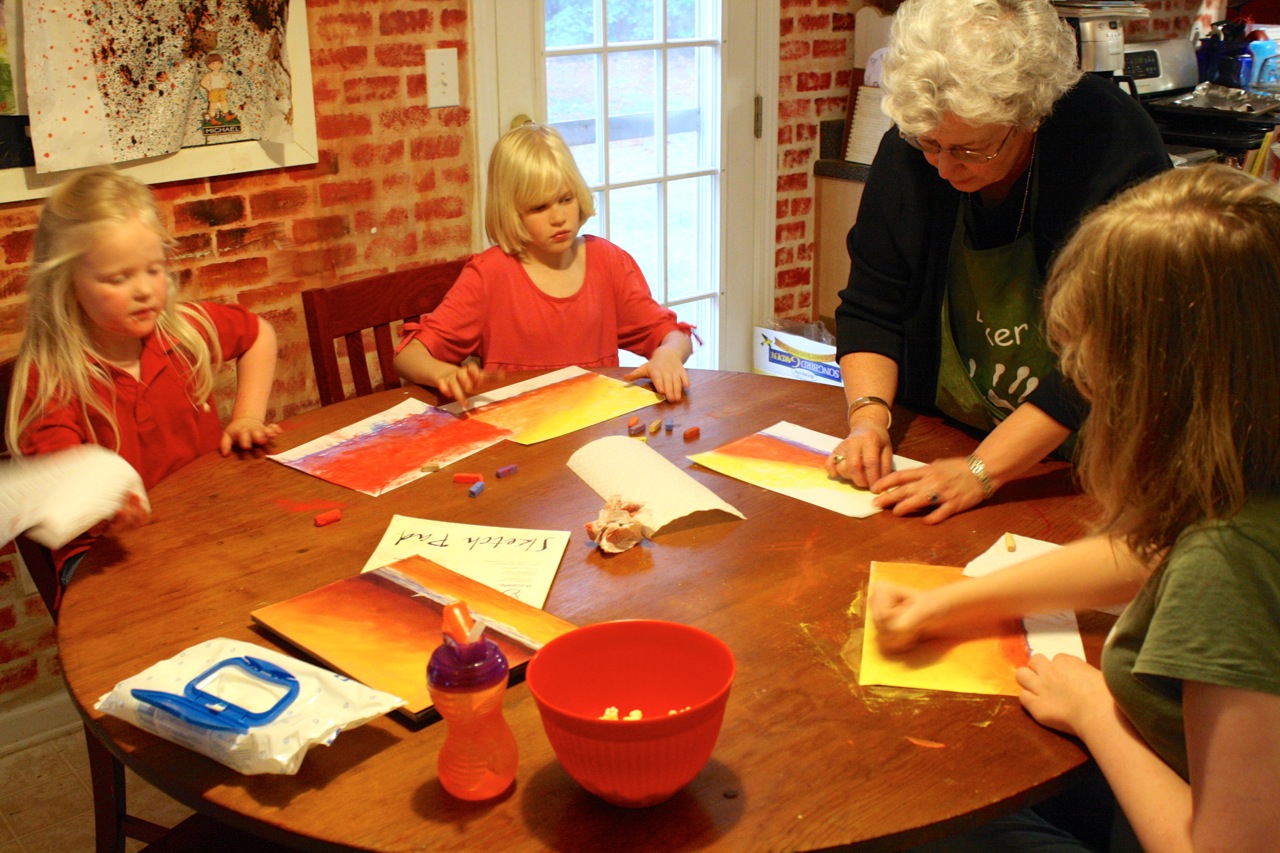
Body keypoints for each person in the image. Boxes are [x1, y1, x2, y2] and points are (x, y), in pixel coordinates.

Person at [869, 165, 1280, 851]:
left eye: (1095, 352)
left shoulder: (1231, 562)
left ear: (1161, 379)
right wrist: (948, 605)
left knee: (907, 815)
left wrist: (1094, 709)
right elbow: (1142, 555)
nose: (1081, 375)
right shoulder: (1250, 474)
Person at [828, 0, 1169, 522]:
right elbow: (873, 304)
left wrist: (981, 471)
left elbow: (1111, 347)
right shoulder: (919, 135)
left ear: (1029, 115)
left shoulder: (1108, 142)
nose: (944, 168)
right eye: (930, 145)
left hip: (1096, 461)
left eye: (971, 149)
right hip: (953, 436)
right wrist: (868, 420)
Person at [4, 167, 282, 582]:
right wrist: (101, 507)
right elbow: (63, 492)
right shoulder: (51, 381)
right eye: (118, 277)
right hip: (105, 558)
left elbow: (259, 334)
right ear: (66, 284)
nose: (144, 290)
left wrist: (247, 417)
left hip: (203, 523)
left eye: (153, 269)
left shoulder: (183, 331)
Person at [393, 122, 695, 405]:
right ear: (511, 212)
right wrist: (445, 374)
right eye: (539, 207)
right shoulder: (490, 274)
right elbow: (408, 356)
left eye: (566, 199)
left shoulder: (608, 262)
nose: (558, 217)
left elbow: (674, 334)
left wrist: (668, 354)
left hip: (594, 426)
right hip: (518, 436)